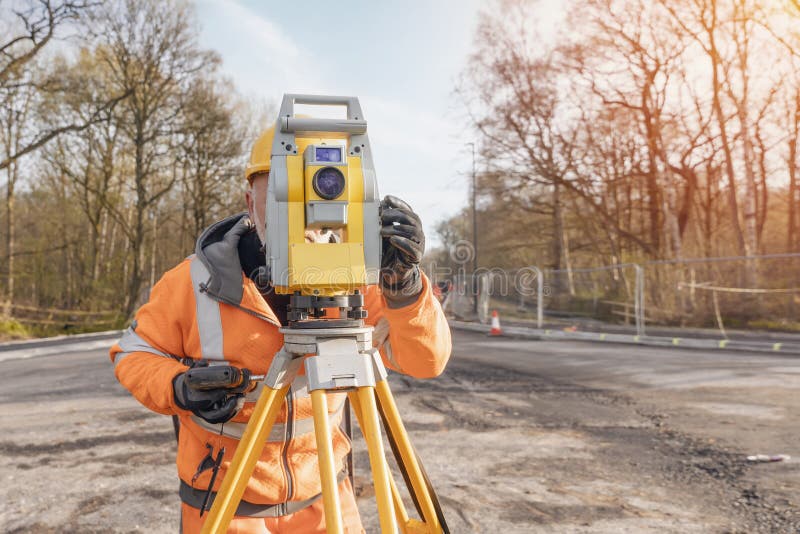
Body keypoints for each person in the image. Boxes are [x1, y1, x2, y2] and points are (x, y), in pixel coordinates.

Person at [109, 124, 452, 533]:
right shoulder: (192, 281)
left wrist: (404, 286)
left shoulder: (358, 280)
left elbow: (426, 361)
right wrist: (178, 386)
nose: (297, 209)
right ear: (248, 200)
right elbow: (134, 354)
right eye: (280, 192)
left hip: (325, 501)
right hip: (225, 507)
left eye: (310, 192)